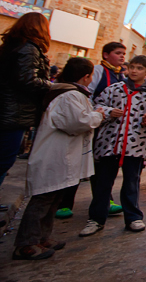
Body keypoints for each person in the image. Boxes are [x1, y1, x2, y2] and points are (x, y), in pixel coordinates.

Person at [12, 57, 102, 261]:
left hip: (62, 155)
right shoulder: (69, 95)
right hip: (54, 155)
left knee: (53, 198)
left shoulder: (69, 93)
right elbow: (76, 122)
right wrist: (98, 115)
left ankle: (43, 237)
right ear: (86, 77)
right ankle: (26, 244)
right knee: (42, 199)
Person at [79, 55, 146, 237]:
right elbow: (97, 105)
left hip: (135, 145)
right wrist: (108, 112)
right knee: (103, 183)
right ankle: (96, 219)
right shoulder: (113, 89)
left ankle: (133, 217)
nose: (134, 71)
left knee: (131, 182)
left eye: (139, 68)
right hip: (109, 144)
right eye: (132, 67)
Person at [57, 41, 128, 219]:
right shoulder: (98, 71)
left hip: (107, 128)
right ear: (105, 55)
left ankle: (105, 200)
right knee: (78, 162)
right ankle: (65, 203)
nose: (121, 56)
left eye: (123, 54)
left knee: (102, 166)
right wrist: (102, 112)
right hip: (91, 123)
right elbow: (87, 94)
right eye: (118, 53)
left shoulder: (120, 75)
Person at [0, 12, 51, 191]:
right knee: (4, 158)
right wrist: (51, 85)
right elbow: (27, 80)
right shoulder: (29, 49)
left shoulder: (12, 46)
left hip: (9, 108)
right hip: (14, 111)